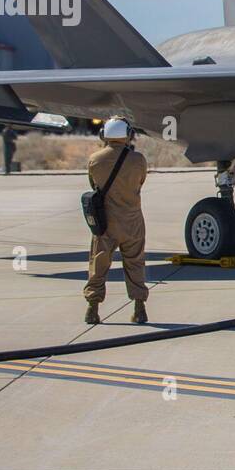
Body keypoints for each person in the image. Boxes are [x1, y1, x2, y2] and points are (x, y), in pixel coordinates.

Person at [84, 117, 149, 324]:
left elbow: (94, 185)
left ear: (104, 135)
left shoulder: (95, 159)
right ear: (128, 135)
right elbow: (140, 182)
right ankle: (139, 309)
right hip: (132, 221)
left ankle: (92, 309)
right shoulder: (138, 160)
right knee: (135, 264)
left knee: (99, 264)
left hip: (106, 223)